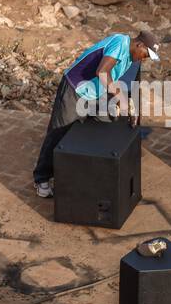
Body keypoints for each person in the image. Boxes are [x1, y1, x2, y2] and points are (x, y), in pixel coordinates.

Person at [32, 30, 160, 198]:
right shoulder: (119, 43)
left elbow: (112, 79)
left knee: (104, 129)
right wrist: (118, 95)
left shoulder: (131, 56)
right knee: (58, 133)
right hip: (75, 89)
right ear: (139, 44)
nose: (144, 58)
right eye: (145, 54)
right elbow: (102, 72)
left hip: (96, 93)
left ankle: (91, 174)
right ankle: (42, 179)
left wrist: (129, 107)